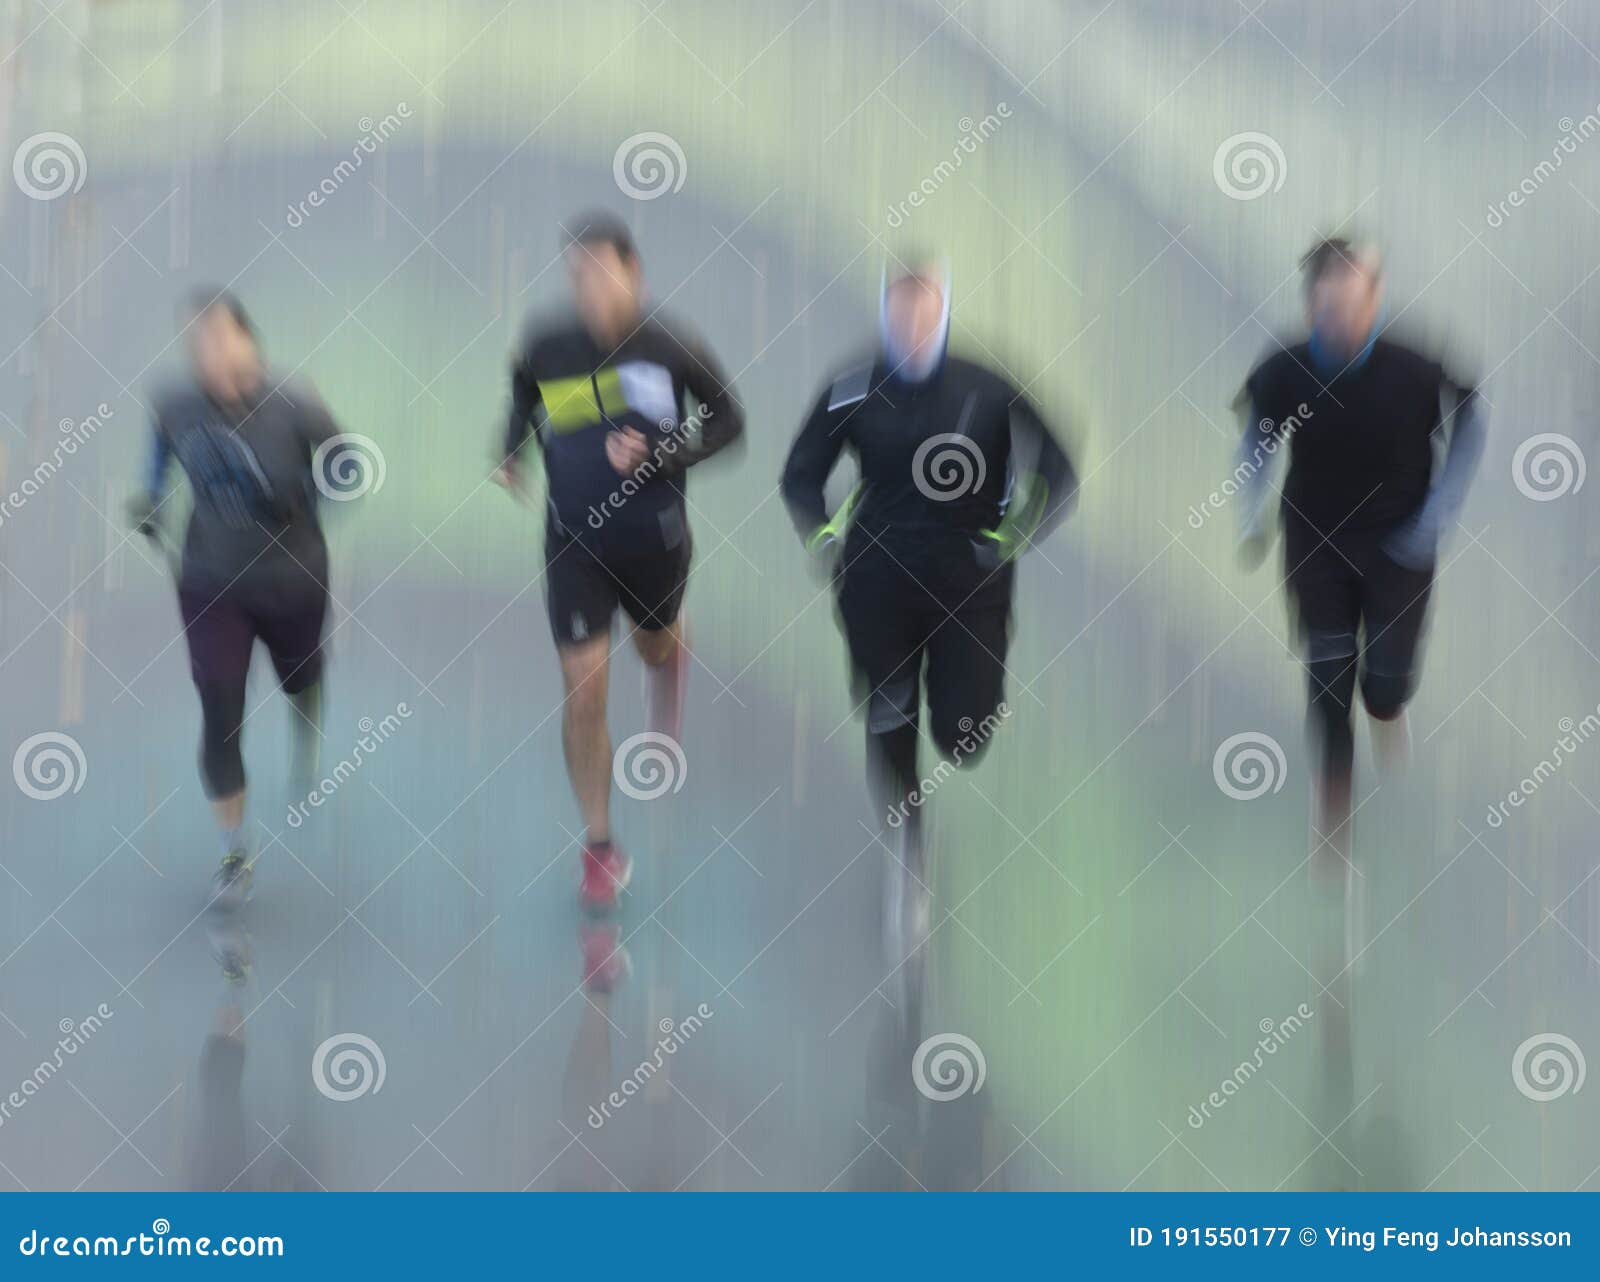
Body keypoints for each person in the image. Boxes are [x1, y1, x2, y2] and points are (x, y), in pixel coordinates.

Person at [781, 259, 1078, 953]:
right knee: (888, 713)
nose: (911, 328)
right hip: (876, 579)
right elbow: (800, 475)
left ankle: (967, 716)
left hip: (966, 584)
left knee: (962, 736)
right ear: (886, 317)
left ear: (941, 314)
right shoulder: (851, 385)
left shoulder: (988, 385)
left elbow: (1056, 465)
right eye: (899, 314)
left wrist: (1015, 532)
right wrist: (826, 539)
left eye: (924, 313)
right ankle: (908, 846)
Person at [495, 212, 744, 913]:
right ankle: (600, 847)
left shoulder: (671, 345)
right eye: (578, 275)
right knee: (584, 691)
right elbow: (521, 393)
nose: (591, 289)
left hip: (652, 539)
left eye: (603, 273)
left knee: (654, 644)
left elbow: (730, 422)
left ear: (633, 272)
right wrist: (511, 449)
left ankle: (672, 653)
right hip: (573, 541)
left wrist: (663, 455)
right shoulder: (548, 343)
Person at [1234, 238, 1485, 872]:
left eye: (1349, 306)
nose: (1338, 321)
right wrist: (1248, 512)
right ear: (1311, 304)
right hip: (1315, 541)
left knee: (1385, 680)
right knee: (1326, 674)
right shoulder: (1285, 370)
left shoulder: (1414, 366)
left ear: (1372, 300)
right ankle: (1333, 807)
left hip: (1399, 546)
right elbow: (1256, 443)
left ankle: (1387, 704)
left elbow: (1472, 419)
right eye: (1326, 309)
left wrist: (1436, 519)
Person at [129, 290, 342, 911]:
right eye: (198, 345)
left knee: (300, 679)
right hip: (210, 580)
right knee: (220, 713)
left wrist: (302, 493)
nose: (212, 356)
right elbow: (157, 460)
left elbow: (347, 468)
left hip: (293, 577)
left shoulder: (296, 403)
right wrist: (149, 500)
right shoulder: (173, 404)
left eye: (222, 339)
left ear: (250, 340)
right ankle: (233, 852)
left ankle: (307, 733)